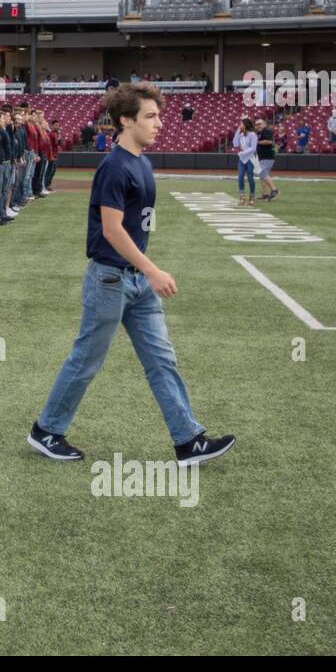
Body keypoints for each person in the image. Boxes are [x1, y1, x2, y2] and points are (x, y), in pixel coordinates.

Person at [28, 83, 235, 465]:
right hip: (110, 279)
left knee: (161, 360)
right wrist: (151, 269)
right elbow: (111, 229)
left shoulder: (141, 161)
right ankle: (46, 430)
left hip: (136, 283)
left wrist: (145, 273)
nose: (159, 123)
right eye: (150, 116)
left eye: (158, 115)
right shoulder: (115, 166)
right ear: (126, 120)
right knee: (87, 359)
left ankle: (189, 440)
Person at [233, 117, 258, 206]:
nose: (240, 126)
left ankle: (252, 197)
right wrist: (237, 132)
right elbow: (235, 144)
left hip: (250, 159)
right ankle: (242, 197)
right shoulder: (241, 135)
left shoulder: (253, 135)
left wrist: (243, 152)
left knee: (250, 178)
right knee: (240, 176)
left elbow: (253, 148)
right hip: (242, 159)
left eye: (241, 124)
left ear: (246, 125)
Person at [254, 118, 279, 201]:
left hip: (267, 157)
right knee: (262, 176)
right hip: (262, 157)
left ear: (264, 124)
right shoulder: (259, 133)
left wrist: (256, 142)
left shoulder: (267, 131)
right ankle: (265, 194)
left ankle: (274, 190)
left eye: (259, 124)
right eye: (256, 124)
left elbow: (269, 141)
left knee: (262, 173)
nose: (258, 125)